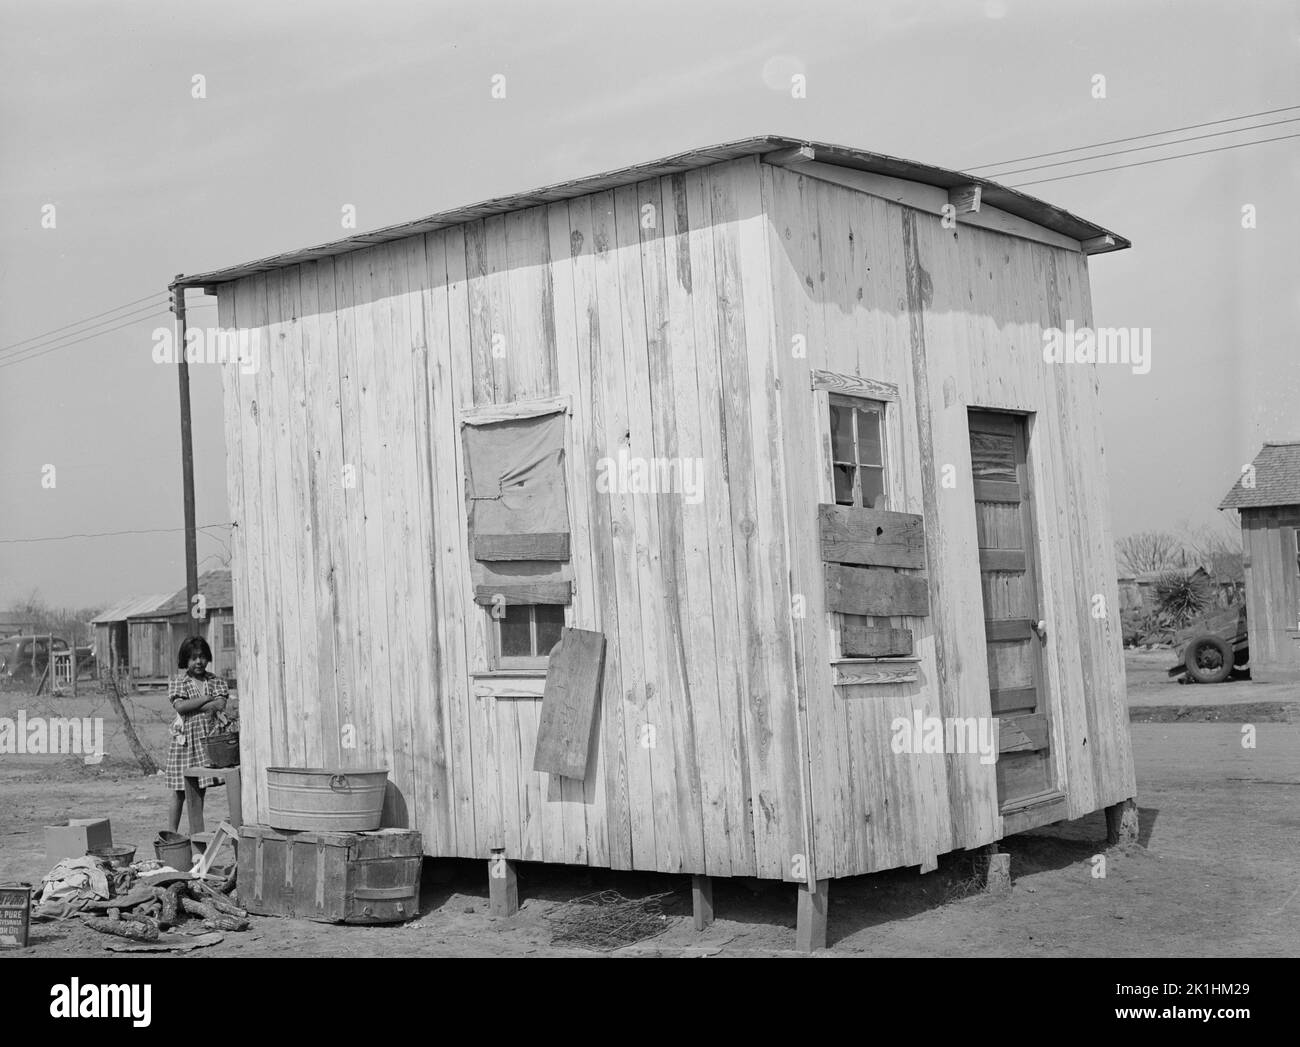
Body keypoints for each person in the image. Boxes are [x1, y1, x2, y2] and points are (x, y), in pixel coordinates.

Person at [165, 636, 229, 833]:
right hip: (185, 743)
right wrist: (206, 699)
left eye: (201, 657)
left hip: (208, 740)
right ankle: (171, 833)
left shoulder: (215, 681)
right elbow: (181, 707)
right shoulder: (179, 682)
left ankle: (196, 832)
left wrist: (197, 703)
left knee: (199, 789)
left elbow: (220, 704)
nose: (198, 662)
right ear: (186, 660)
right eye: (193, 658)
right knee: (179, 790)